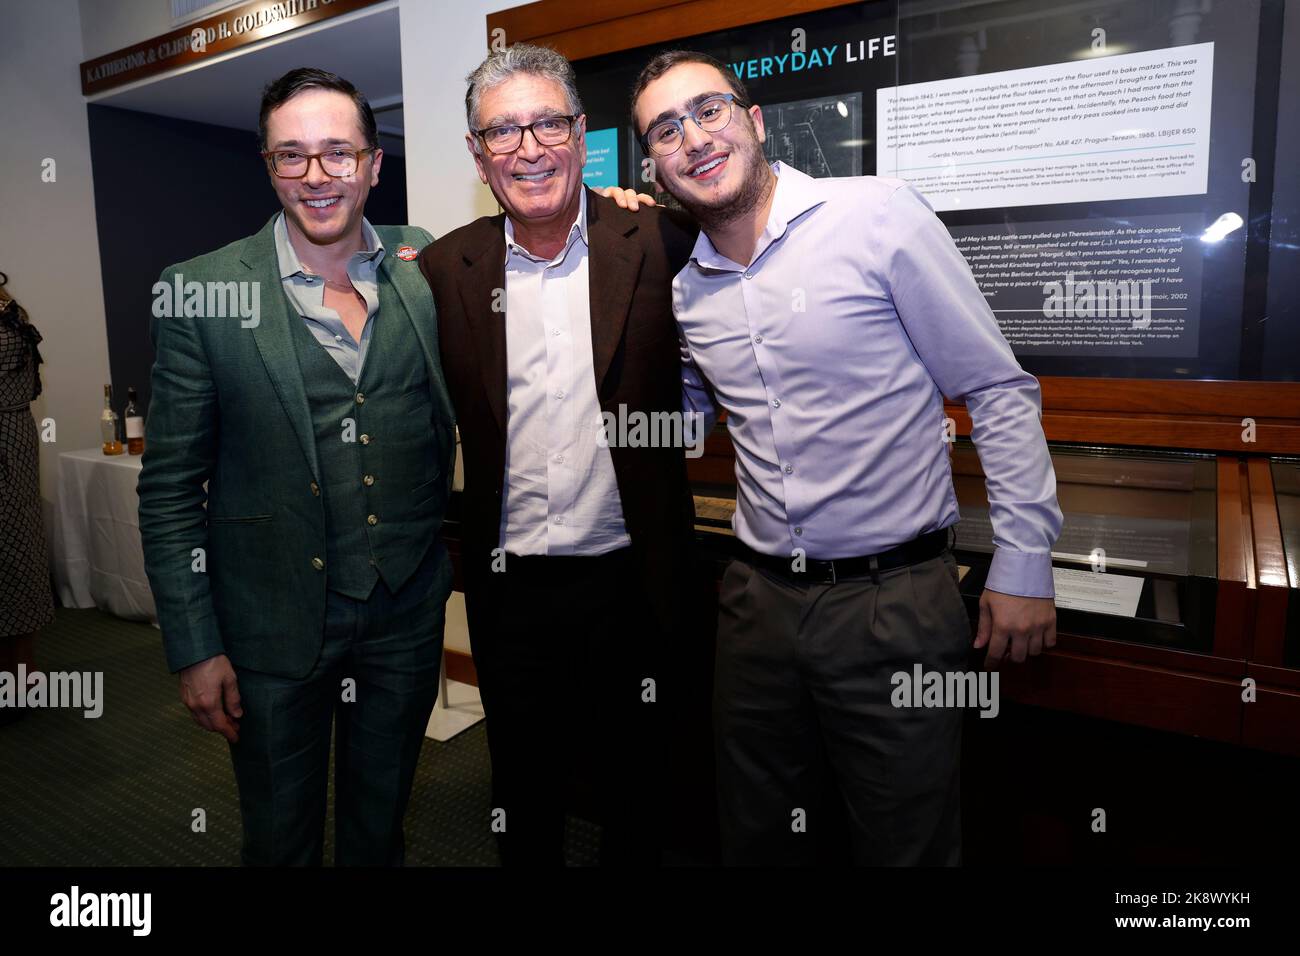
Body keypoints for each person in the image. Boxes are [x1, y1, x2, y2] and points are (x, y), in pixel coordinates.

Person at [627, 50, 1063, 865]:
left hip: (894, 603)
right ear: (654, 164)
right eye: (666, 130)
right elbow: (684, 423)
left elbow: (996, 390)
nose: (694, 138)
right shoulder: (687, 288)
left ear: (755, 122)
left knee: (906, 843)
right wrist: (614, 250)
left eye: (709, 110)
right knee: (757, 836)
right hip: (756, 606)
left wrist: (1025, 562)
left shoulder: (878, 217)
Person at [138, 68, 456, 866]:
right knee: (280, 837)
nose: (317, 175)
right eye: (292, 155)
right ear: (269, 166)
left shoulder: (425, 265)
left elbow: (537, 254)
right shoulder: (201, 290)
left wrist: (613, 207)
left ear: (373, 164)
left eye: (338, 153)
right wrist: (195, 646)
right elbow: (170, 490)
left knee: (380, 828)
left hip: (406, 608)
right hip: (271, 625)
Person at [418, 43, 700, 865]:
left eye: (547, 124)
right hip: (509, 591)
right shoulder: (442, 269)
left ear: (580, 133)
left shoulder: (662, 240)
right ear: (478, 154)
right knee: (523, 792)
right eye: (502, 132)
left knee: (642, 795)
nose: (528, 149)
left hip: (634, 583)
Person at [0, 273, 55, 725]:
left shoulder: (8, 314)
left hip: (11, 439)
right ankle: (20, 676)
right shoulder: (11, 311)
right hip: (16, 435)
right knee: (17, 554)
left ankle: (21, 677)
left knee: (17, 554)